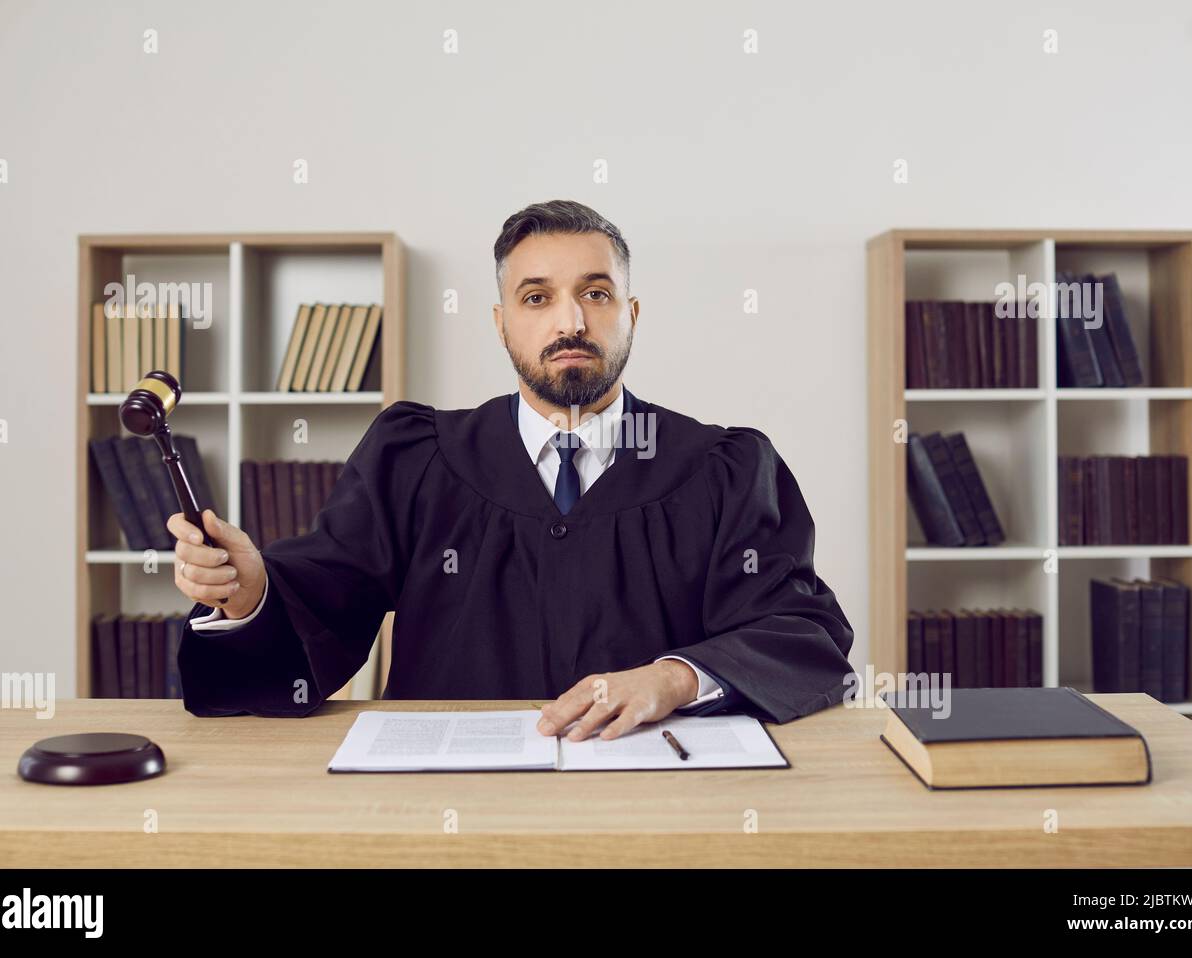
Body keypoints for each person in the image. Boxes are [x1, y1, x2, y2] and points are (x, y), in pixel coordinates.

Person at [170, 199, 854, 741]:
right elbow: (327, 597)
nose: (570, 321)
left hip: (651, 807)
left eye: (596, 293)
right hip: (451, 811)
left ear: (632, 315)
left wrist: (674, 678)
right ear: (501, 323)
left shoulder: (721, 470)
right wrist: (251, 595)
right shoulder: (415, 458)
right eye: (536, 298)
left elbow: (802, 633)